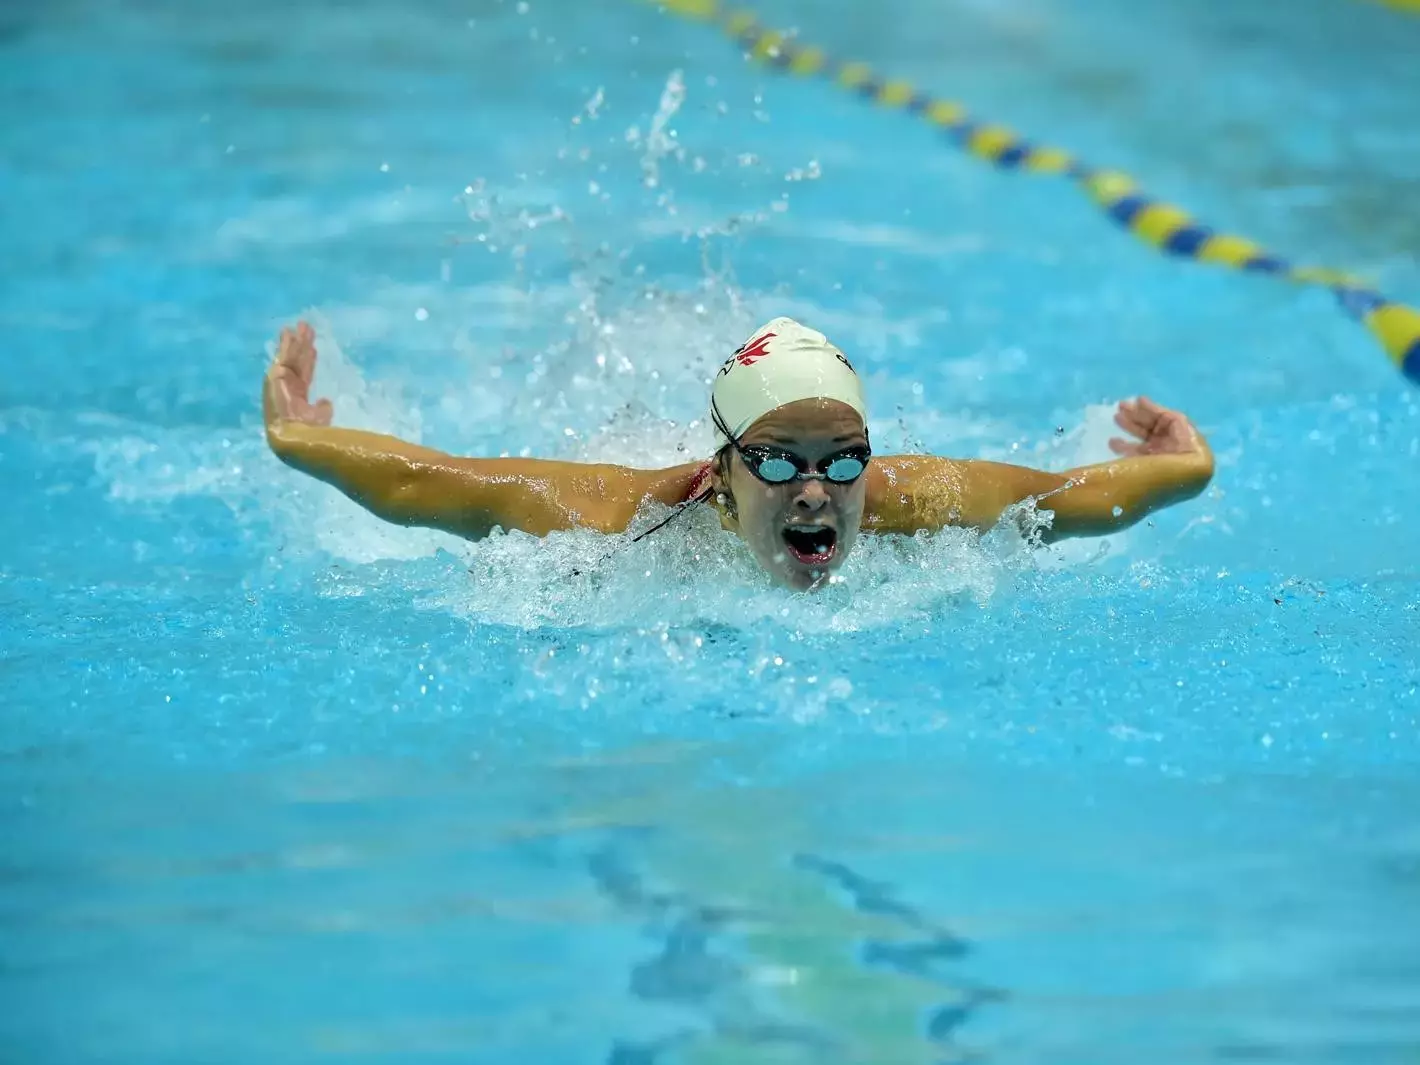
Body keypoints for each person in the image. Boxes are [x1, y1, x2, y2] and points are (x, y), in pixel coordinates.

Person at [262, 317, 1214, 590]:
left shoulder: (910, 501)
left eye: (842, 459)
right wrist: (300, 437)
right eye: (776, 459)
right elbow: (430, 481)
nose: (815, 490)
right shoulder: (622, 515)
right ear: (719, 470)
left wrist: (1184, 469)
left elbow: (1070, 497)